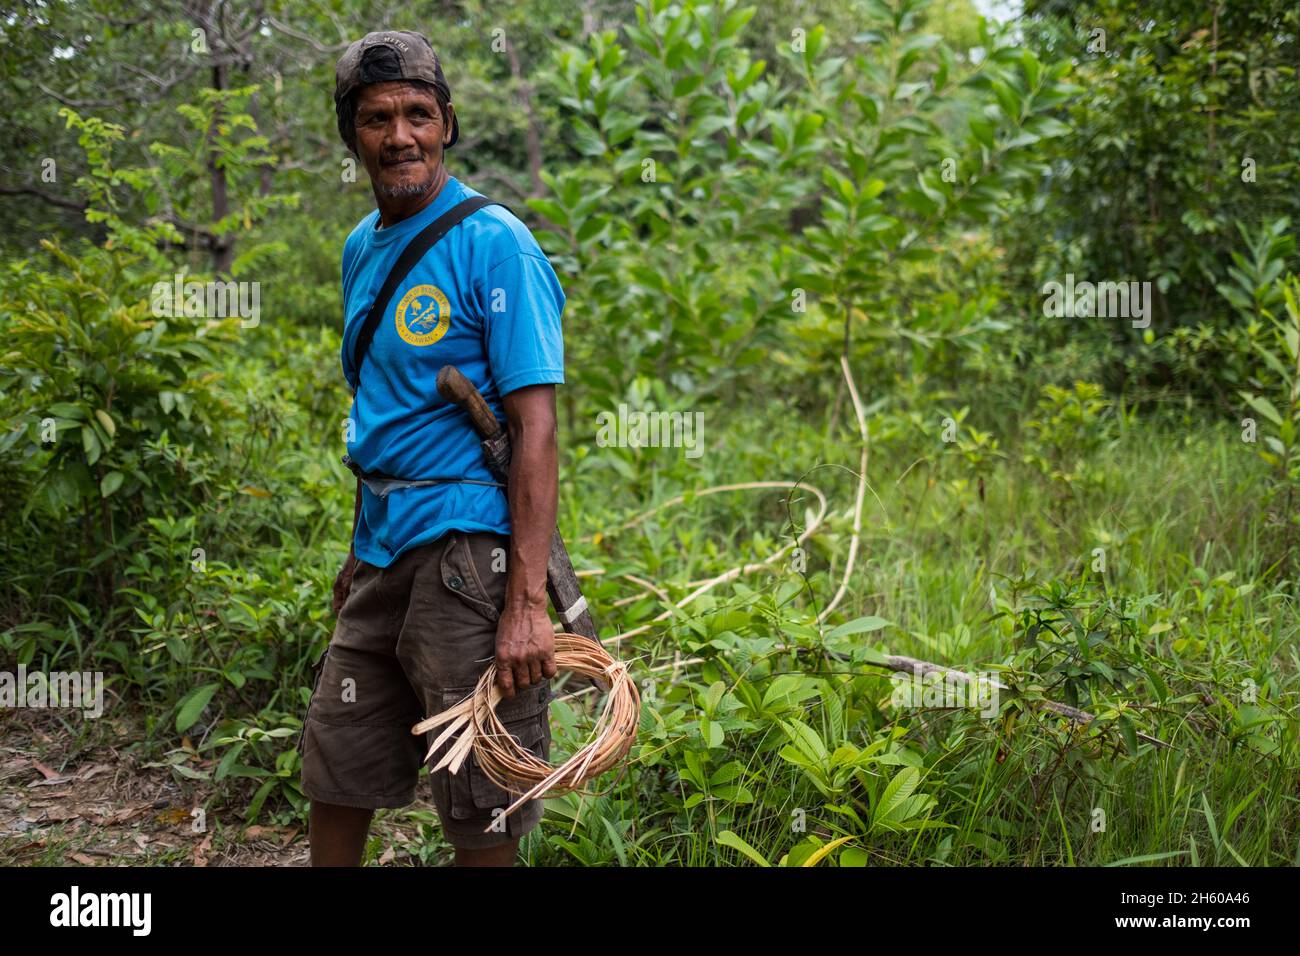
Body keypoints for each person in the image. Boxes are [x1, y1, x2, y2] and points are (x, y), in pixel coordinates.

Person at [299, 30, 565, 867]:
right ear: (353, 137)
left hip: (469, 564)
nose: (400, 135)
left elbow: (536, 427)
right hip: (381, 554)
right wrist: (355, 549)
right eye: (378, 118)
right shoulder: (358, 248)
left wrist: (525, 603)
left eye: (419, 113)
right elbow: (379, 409)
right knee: (336, 771)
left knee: (479, 800)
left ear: (447, 124)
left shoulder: (496, 243)